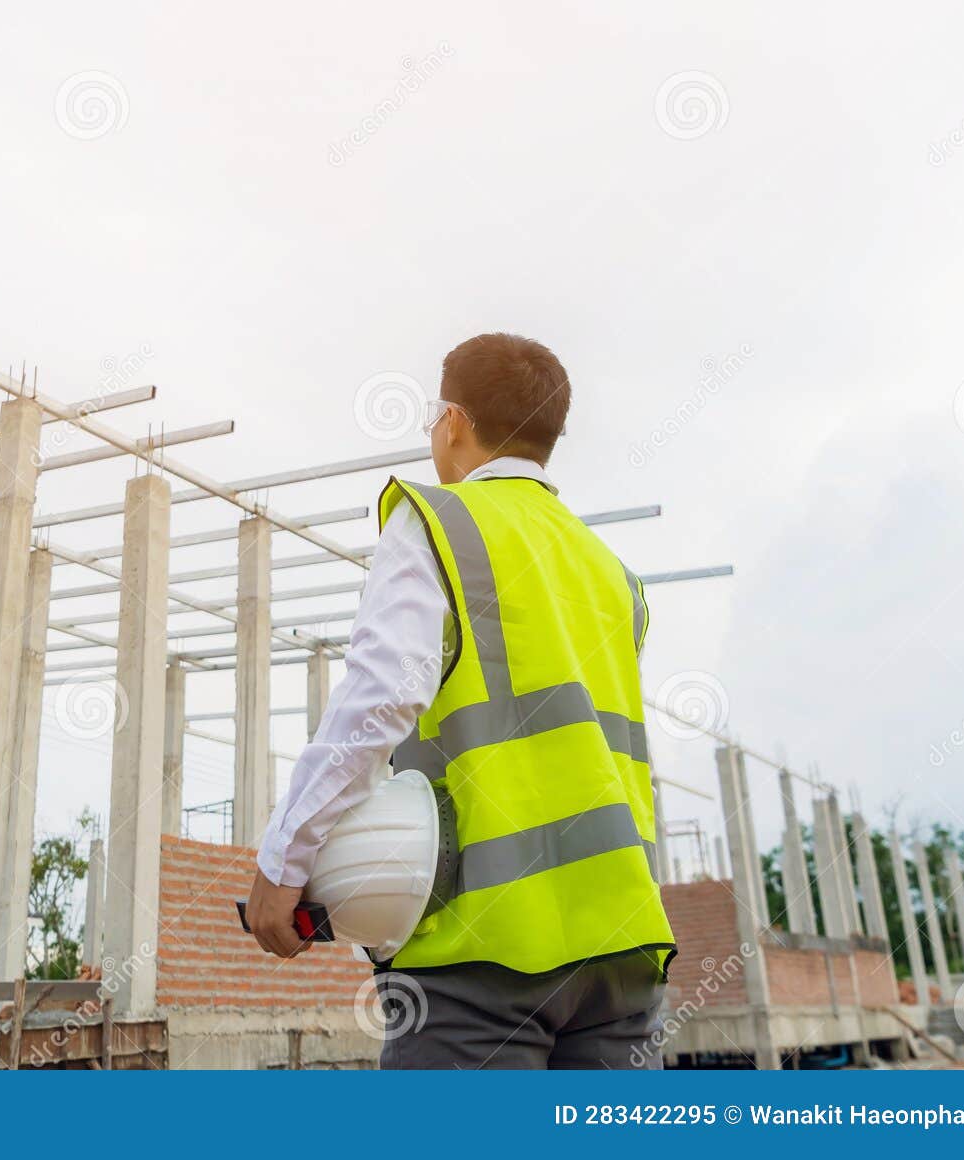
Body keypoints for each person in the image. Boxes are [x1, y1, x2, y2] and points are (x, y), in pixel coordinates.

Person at [245, 332, 673, 1069]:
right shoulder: (612, 573)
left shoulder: (440, 524)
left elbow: (379, 697)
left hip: (483, 959)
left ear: (453, 421)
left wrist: (285, 860)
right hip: (623, 953)